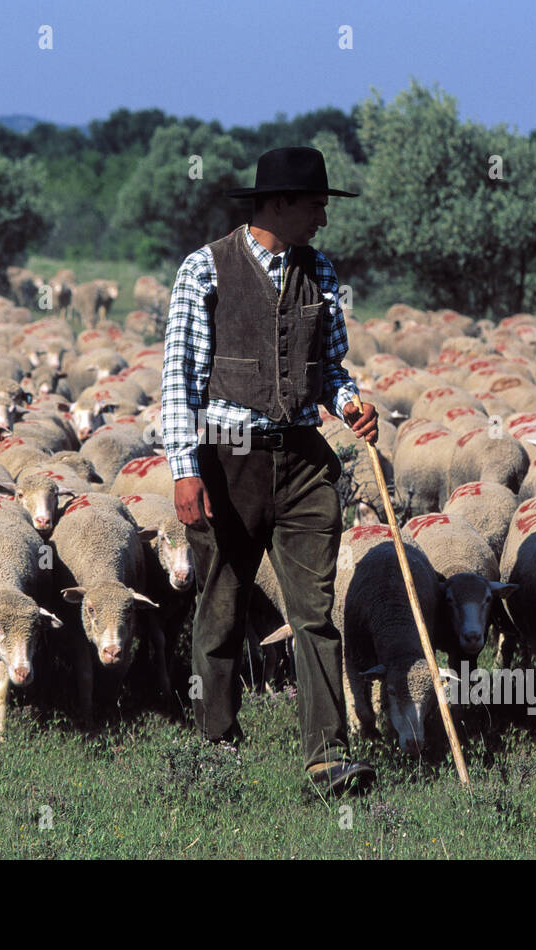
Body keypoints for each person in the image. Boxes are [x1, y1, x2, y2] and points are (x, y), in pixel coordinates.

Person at [160, 146, 379, 795]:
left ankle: (326, 758)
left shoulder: (322, 271)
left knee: (314, 611)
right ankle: (217, 748)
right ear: (279, 204)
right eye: (316, 205)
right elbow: (179, 378)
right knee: (221, 609)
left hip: (305, 462)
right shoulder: (205, 270)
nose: (323, 218)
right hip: (227, 461)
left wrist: (351, 404)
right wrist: (183, 467)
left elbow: (331, 368)